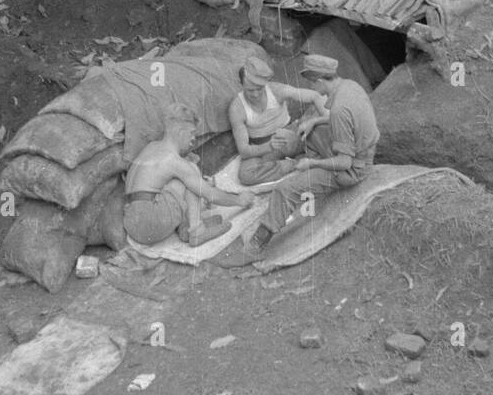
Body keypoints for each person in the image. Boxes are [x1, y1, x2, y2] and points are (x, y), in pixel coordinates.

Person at [216, 53, 379, 267]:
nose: (315, 89)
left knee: (285, 191)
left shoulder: (338, 110)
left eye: (313, 83)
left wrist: (312, 164)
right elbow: (338, 120)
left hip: (352, 170)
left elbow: (344, 163)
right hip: (362, 151)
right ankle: (308, 156)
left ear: (320, 81)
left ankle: (255, 248)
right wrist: (315, 121)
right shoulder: (350, 86)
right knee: (309, 133)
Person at [123, 104, 258, 248]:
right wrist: (239, 200)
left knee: (182, 175)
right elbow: (211, 195)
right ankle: (197, 231)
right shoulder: (173, 160)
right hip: (152, 221)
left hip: (132, 221)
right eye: (192, 133)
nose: (193, 139)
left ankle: (185, 227)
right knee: (191, 173)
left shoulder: (152, 147)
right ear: (181, 132)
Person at [228, 54, 330, 186]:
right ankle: (296, 163)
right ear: (241, 84)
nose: (255, 94)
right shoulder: (236, 108)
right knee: (246, 174)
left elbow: (315, 96)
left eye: (259, 89)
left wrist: (323, 117)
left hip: (292, 134)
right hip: (265, 147)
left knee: (321, 120)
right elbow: (244, 150)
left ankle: (310, 155)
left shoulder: (275, 89)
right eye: (250, 90)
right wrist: (268, 146)